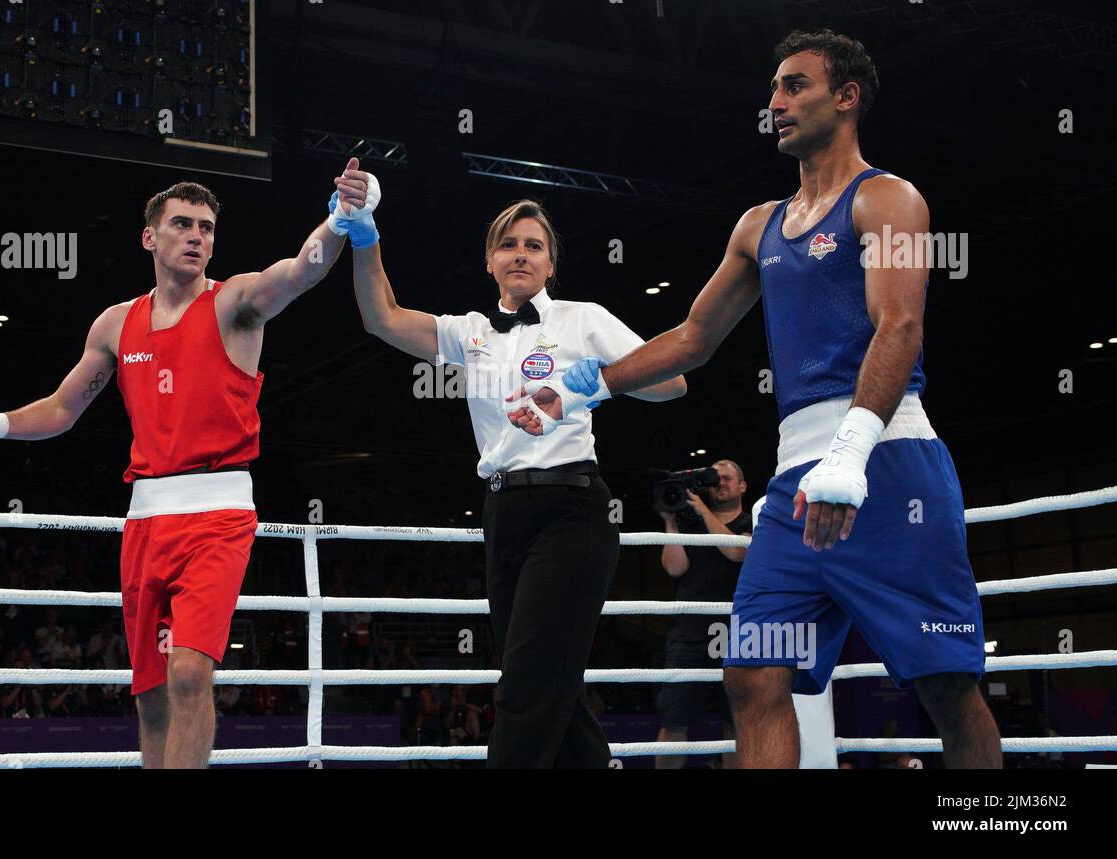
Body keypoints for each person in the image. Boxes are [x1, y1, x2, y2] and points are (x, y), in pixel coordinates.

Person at [508, 29, 1002, 768]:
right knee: (752, 672)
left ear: (847, 96)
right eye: (773, 89)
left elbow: (899, 325)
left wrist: (851, 453)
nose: (775, 103)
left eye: (794, 86)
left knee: (946, 687)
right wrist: (592, 384)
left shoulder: (891, 200)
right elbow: (693, 336)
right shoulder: (758, 226)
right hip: (796, 492)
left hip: (890, 468)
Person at [0, 158, 373, 767]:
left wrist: (341, 218)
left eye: (207, 227)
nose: (198, 237)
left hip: (219, 514)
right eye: (183, 224)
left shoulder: (235, 305)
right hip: (145, 521)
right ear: (151, 236)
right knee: (149, 695)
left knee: (191, 675)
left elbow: (301, 271)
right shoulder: (117, 325)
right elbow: (65, 407)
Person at [344, 180, 688, 767]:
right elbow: (382, 318)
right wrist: (365, 234)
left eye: (533, 244)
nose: (521, 253)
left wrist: (594, 385)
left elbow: (671, 383)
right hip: (502, 513)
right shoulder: (469, 331)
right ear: (490, 260)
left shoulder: (585, 320)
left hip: (573, 511)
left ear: (551, 263)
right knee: (548, 686)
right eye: (509, 245)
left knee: (525, 688)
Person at [656, 460, 750, 769]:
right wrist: (671, 522)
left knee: (735, 725)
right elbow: (673, 568)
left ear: (742, 486)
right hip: (689, 634)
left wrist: (700, 509)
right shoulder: (689, 522)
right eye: (714, 478)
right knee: (674, 723)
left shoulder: (754, 521)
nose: (720, 483)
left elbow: (736, 552)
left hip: (736, 636)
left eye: (727, 478)